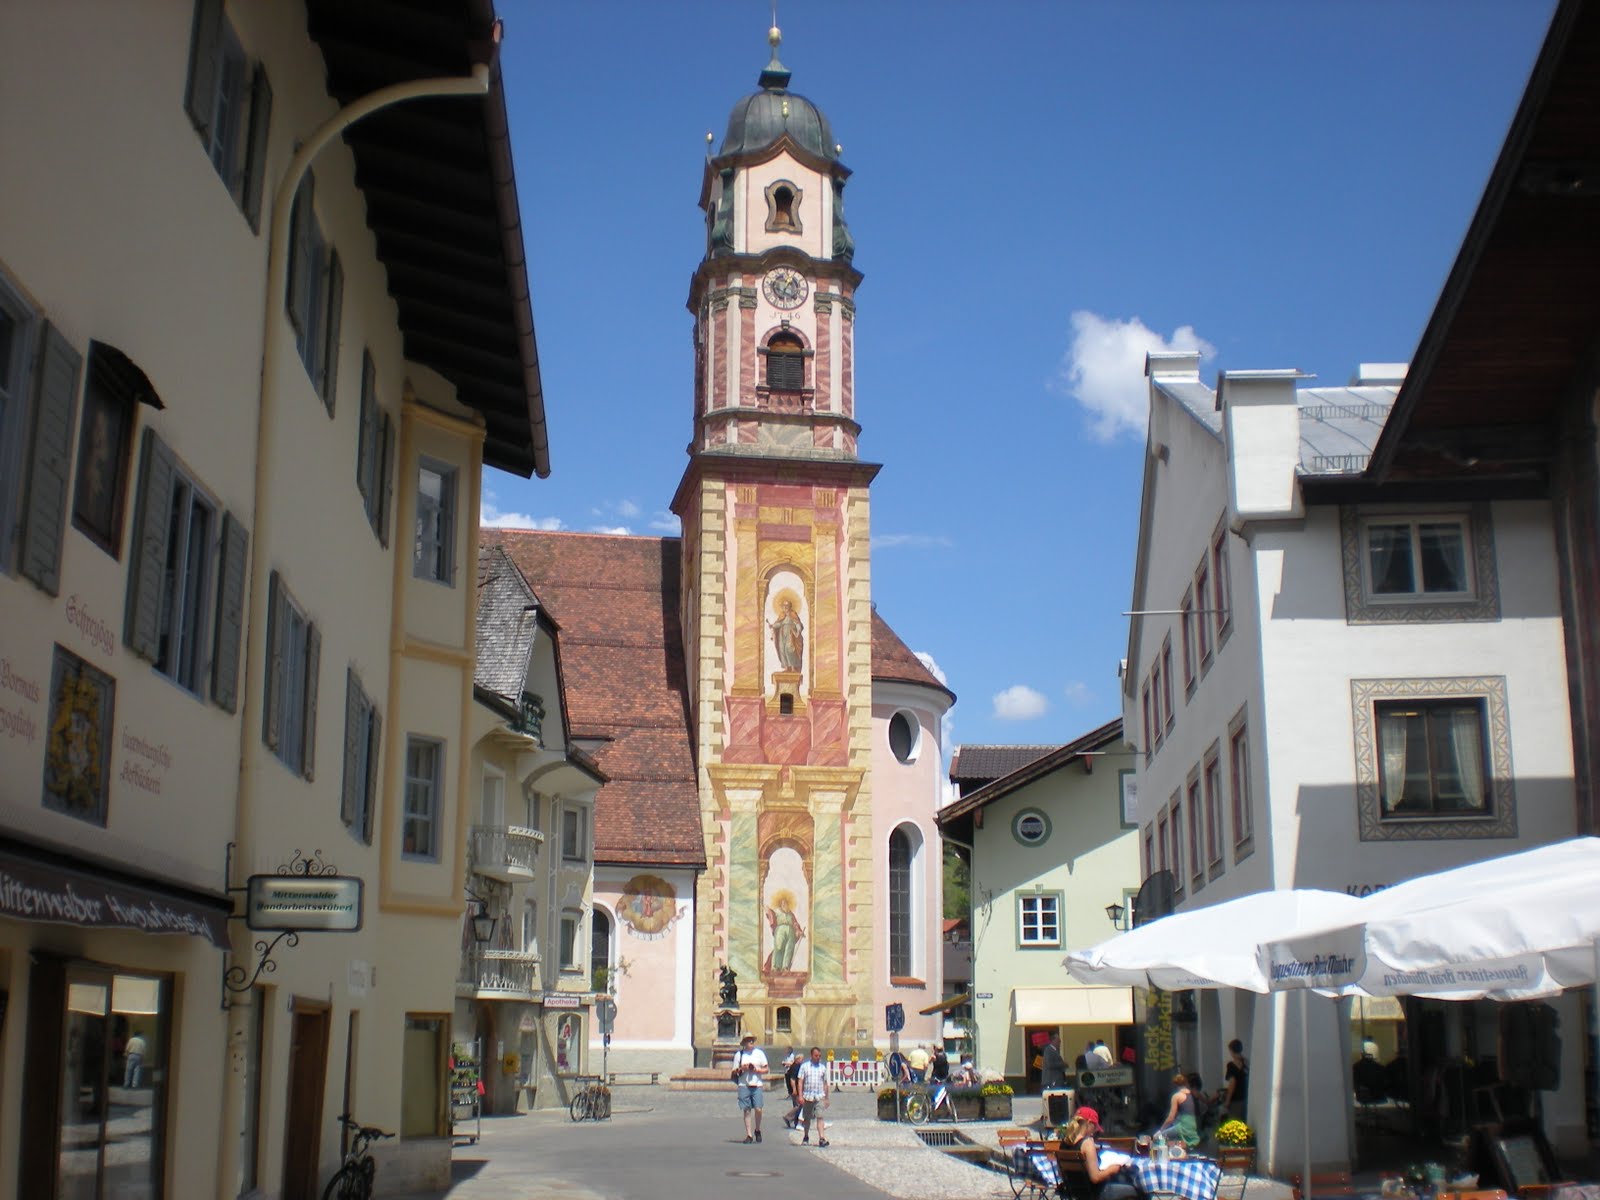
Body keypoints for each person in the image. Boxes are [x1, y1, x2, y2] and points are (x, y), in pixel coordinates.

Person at [1062, 1106, 1137, 1200]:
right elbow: (1095, 1177)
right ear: (1089, 1123)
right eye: (1094, 1127)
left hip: (1073, 1193)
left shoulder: (1064, 1143)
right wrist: (1111, 1169)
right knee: (1137, 1190)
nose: (1094, 1132)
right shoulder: (1087, 1143)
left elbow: (1062, 1174)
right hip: (1095, 1193)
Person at [732, 1034, 768, 1143]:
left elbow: (766, 1069)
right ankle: (749, 1134)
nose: (751, 1042)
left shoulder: (759, 1053)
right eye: (748, 1040)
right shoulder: (739, 1055)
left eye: (752, 1040)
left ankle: (757, 1129)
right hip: (744, 1084)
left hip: (757, 1084)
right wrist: (743, 1068)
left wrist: (756, 1070)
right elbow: (734, 1071)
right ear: (744, 1043)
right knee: (746, 1110)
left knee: (758, 1108)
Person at [795, 1045, 830, 1147]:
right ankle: (806, 1136)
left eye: (819, 1056)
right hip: (808, 1096)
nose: (818, 1057)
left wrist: (826, 1098)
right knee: (807, 1118)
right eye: (816, 1056)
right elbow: (800, 1081)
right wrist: (800, 1095)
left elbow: (825, 1083)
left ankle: (821, 1138)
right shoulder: (804, 1066)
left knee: (820, 1116)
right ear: (811, 1055)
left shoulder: (822, 1068)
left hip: (819, 1096)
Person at [1156, 1071, 1201, 1148]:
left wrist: (1160, 1131)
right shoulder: (1192, 1093)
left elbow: (1171, 1117)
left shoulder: (1177, 1096)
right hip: (1192, 1125)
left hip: (1183, 1126)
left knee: (1160, 1137)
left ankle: (1165, 1156)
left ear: (1175, 1084)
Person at [1217, 1038, 1249, 1118]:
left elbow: (1232, 1083)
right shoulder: (1246, 1063)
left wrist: (1227, 1100)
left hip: (1235, 1099)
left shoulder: (1231, 1065)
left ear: (1231, 1050)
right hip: (1245, 1097)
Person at [781, 1047, 804, 1130]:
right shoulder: (795, 1067)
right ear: (798, 1059)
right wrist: (794, 1089)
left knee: (797, 1105)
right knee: (799, 1105)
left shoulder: (795, 1066)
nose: (803, 1060)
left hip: (795, 1089)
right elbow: (792, 1079)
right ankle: (788, 1117)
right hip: (795, 1089)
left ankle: (796, 1121)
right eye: (802, 1059)